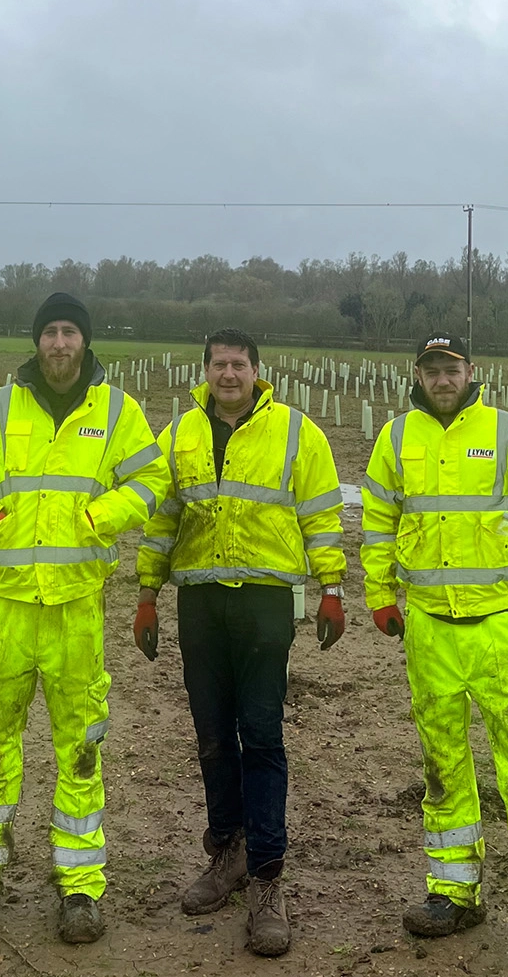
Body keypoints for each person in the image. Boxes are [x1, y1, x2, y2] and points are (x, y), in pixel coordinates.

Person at [0, 292, 171, 945]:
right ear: (37, 342)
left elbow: (151, 480)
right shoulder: (0, 407)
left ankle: (79, 891)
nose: (59, 343)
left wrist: (101, 518)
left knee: (81, 752)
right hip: (6, 608)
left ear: (85, 341)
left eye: (69, 332)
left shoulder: (117, 411)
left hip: (76, 611)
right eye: (50, 333)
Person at [361, 334, 508, 969]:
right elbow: (379, 521)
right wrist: (380, 591)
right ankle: (453, 892)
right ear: (417, 374)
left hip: (497, 628)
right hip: (429, 629)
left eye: (452, 369)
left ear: (472, 372)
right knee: (442, 764)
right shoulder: (396, 438)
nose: (443, 379)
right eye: (432, 370)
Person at [134, 328, 346, 957]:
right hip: (199, 600)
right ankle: (224, 851)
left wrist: (332, 586)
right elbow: (161, 517)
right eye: (219, 364)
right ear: (205, 370)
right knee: (210, 736)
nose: (229, 373)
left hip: (262, 601)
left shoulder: (295, 431)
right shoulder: (179, 434)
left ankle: (267, 877)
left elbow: (320, 512)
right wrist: (147, 595)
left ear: (258, 370)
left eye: (239, 364)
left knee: (261, 735)